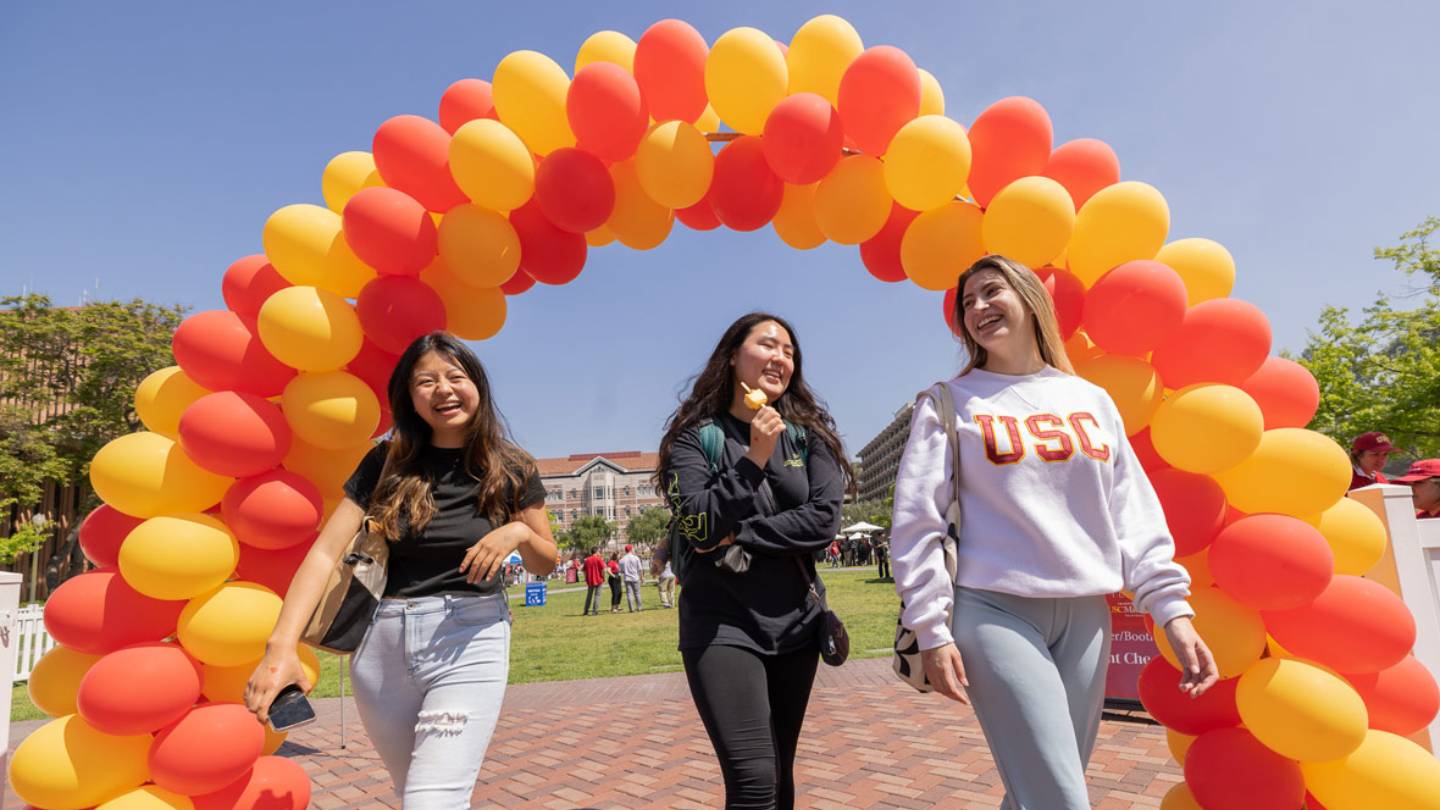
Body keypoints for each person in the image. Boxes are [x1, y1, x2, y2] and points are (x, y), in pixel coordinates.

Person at [890, 256, 1219, 810]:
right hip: (994, 610)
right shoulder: (949, 402)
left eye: (991, 292)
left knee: (1041, 787)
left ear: (1028, 298)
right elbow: (917, 521)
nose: (977, 308)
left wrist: (1173, 611)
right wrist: (932, 628)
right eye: (967, 302)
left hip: (1087, 614)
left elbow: (1131, 511)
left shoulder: (1090, 400)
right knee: (1059, 797)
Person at [244, 331, 557, 808]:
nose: (443, 390)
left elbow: (546, 560)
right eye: (425, 381)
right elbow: (326, 553)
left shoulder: (510, 465)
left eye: (456, 376)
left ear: (478, 384)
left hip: (469, 637)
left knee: (431, 799)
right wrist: (280, 645)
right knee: (411, 789)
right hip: (380, 644)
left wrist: (517, 534)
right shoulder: (385, 462)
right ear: (409, 397)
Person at [656, 312, 849, 810]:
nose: (780, 358)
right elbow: (698, 526)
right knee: (753, 778)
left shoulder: (809, 437)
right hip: (722, 625)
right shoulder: (695, 438)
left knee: (780, 775)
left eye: (789, 351)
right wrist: (754, 458)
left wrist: (739, 531)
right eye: (767, 345)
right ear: (733, 356)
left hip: (797, 626)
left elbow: (822, 521)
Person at [620, 543, 645, 612]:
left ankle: (631, 609)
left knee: (629, 594)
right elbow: (640, 569)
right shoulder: (636, 558)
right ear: (631, 549)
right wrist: (642, 578)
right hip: (635, 578)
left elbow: (621, 571)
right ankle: (639, 608)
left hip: (627, 578)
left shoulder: (622, 560)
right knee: (637, 593)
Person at [582, 547, 606, 616]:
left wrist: (585, 578)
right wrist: (603, 576)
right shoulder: (599, 559)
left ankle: (585, 611)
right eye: (598, 551)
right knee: (597, 596)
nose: (599, 553)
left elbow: (583, 570)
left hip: (590, 580)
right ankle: (594, 611)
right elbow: (603, 569)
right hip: (599, 580)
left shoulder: (587, 560)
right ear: (596, 552)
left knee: (589, 596)